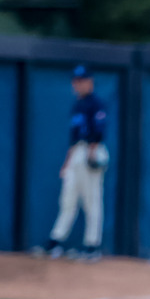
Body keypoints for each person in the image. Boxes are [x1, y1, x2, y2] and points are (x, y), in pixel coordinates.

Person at [36, 65, 109, 260]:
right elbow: (73, 137)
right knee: (68, 199)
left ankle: (92, 245)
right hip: (76, 152)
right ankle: (56, 241)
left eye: (81, 81)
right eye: (75, 81)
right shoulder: (77, 104)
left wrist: (92, 154)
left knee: (92, 200)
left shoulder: (96, 103)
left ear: (89, 82)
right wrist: (67, 162)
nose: (77, 84)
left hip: (91, 151)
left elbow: (99, 131)